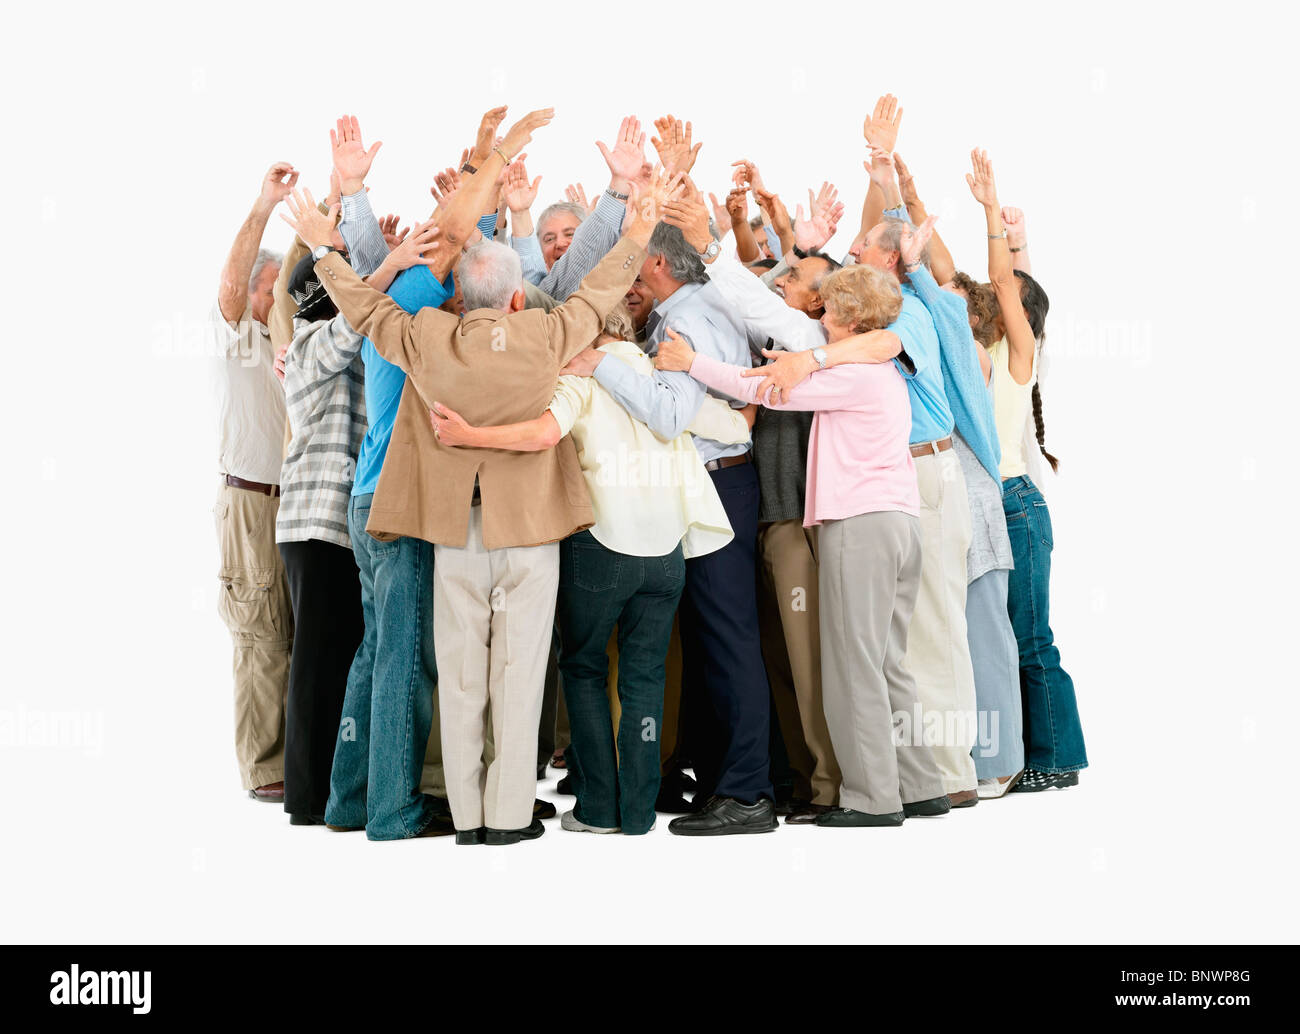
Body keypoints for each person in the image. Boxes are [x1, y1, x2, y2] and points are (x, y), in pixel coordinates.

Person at [282, 133, 676, 846]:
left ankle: (464, 818)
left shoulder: (432, 337)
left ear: (461, 294)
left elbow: (365, 313)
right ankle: (506, 818)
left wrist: (324, 249)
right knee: (521, 680)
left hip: (455, 535)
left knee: (460, 678)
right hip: (529, 536)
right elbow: (602, 288)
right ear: (517, 293)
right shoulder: (546, 332)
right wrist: (638, 224)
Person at [428, 307, 748, 835]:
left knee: (583, 668)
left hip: (604, 544)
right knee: (646, 678)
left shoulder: (579, 372)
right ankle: (640, 812)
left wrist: (472, 434)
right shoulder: (658, 374)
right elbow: (734, 422)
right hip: (665, 552)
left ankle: (598, 808)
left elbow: (543, 433)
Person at [657, 263, 951, 825]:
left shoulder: (854, 375)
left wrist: (688, 362)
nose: (821, 312)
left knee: (853, 663)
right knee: (889, 660)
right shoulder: (882, 367)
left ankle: (872, 799)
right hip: (898, 521)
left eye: (831, 306)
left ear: (851, 317)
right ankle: (920, 784)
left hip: (860, 523)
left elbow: (766, 389)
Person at [563, 218, 777, 837]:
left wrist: (600, 362)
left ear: (656, 262)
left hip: (717, 484)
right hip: (716, 478)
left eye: (635, 257)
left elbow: (666, 412)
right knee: (709, 641)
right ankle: (717, 780)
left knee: (727, 638)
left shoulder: (685, 321)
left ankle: (745, 792)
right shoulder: (704, 304)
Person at [967, 148, 1086, 791]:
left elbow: (1012, 293)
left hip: (1015, 506)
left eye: (997, 299)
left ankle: (1056, 758)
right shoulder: (993, 353)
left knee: (1030, 636)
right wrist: (1018, 242)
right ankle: (1033, 754)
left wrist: (993, 219)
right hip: (1008, 506)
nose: (986, 301)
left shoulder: (1017, 351)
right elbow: (1017, 288)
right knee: (1012, 633)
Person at [212, 161, 296, 804]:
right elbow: (235, 284)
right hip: (249, 502)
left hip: (293, 505)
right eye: (274, 289)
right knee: (260, 633)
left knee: (295, 633)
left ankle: (297, 753)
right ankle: (264, 766)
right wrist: (265, 205)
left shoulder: (290, 342)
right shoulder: (241, 336)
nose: (279, 299)